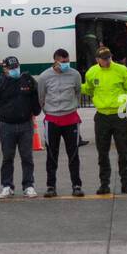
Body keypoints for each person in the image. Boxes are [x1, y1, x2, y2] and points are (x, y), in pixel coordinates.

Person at [81, 47, 127, 195]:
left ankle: (126, 183)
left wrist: (119, 102)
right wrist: (77, 87)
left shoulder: (121, 70)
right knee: (102, 153)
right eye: (104, 58)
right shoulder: (92, 72)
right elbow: (89, 88)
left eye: (109, 57)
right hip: (102, 116)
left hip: (119, 114)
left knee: (123, 151)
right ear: (97, 59)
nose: (107, 61)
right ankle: (104, 184)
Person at [0, 55, 41, 198]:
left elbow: (36, 98)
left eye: (16, 67)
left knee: (27, 157)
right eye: (11, 68)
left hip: (25, 125)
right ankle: (7, 185)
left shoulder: (28, 80)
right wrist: (3, 113)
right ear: (5, 68)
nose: (15, 70)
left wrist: (35, 111)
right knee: (7, 157)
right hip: (6, 126)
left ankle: (28, 185)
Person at [37, 48, 84, 197]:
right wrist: (49, 110)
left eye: (67, 61)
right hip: (52, 119)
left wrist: (71, 106)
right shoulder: (44, 77)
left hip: (70, 118)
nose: (66, 64)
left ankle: (76, 185)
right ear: (55, 61)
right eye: (63, 62)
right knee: (51, 155)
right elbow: (41, 97)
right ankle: (51, 186)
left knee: (74, 154)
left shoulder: (75, 75)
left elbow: (78, 92)